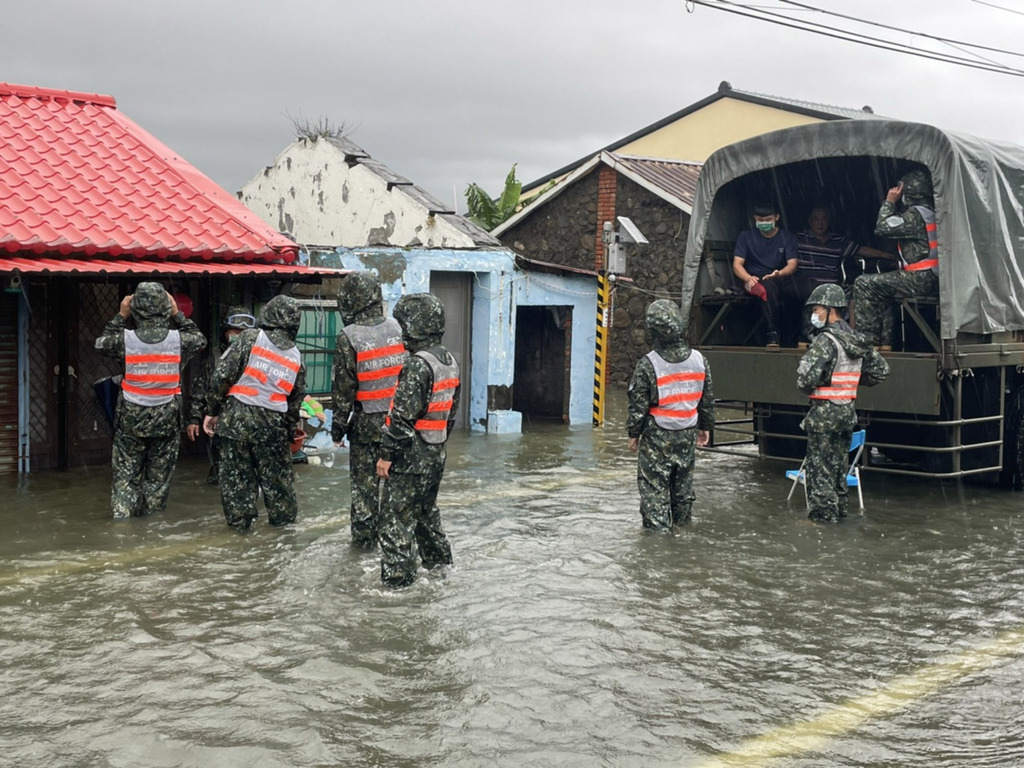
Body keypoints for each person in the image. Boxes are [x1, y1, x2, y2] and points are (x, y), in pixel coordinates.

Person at [94, 282, 207, 520]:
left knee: (125, 478)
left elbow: (101, 343)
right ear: (166, 307)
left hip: (131, 418)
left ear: (134, 308)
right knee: (157, 482)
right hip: (167, 417)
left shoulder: (125, 339)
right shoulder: (179, 340)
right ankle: (152, 529)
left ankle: (123, 528)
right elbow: (200, 339)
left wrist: (120, 315)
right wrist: (178, 314)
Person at [375, 293, 460, 587]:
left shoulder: (417, 365)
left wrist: (387, 455)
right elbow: (450, 417)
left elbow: (400, 418)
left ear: (414, 326)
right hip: (435, 454)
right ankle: (441, 569)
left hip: (411, 456)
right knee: (426, 516)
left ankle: (398, 585)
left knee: (395, 521)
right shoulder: (448, 361)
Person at [203, 295, 306, 532]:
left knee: (238, 490)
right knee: (280, 493)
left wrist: (212, 410)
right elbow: (294, 404)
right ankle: (281, 544)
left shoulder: (250, 338)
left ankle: (241, 541)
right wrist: (289, 432)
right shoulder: (297, 357)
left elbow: (222, 377)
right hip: (272, 429)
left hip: (235, 423)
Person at [797, 284, 890, 522]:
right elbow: (881, 370)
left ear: (830, 310)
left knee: (820, 471)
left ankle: (822, 523)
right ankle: (839, 514)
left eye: (816, 309)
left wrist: (822, 383)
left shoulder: (825, 341)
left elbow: (805, 380)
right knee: (840, 467)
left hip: (824, 415)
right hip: (847, 412)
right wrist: (854, 382)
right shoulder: (858, 340)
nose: (813, 315)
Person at [332, 271, 408, 549]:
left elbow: (343, 390)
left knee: (365, 492)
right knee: (396, 488)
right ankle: (395, 543)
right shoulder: (399, 328)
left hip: (366, 425)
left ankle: (363, 549)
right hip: (401, 423)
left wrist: (337, 430)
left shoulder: (348, 336)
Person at [626, 299, 715, 530]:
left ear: (652, 330)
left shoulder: (648, 364)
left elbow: (638, 405)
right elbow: (706, 400)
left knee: (654, 489)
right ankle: (683, 530)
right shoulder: (699, 360)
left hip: (657, 434)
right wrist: (705, 428)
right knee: (683, 487)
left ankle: (657, 543)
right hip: (687, 432)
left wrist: (633, 433)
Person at [852, 169, 939, 351]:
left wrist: (889, 202)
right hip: (933, 278)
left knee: (863, 284)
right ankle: (884, 344)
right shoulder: (933, 212)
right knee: (882, 289)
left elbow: (882, 228)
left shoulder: (915, 215)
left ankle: (867, 340)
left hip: (921, 279)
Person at [186, 306, 256, 485]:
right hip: (220, 422)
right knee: (220, 470)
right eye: (235, 331)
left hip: (250, 422)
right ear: (225, 332)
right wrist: (194, 419)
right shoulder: (215, 357)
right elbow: (201, 388)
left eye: (244, 332)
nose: (239, 335)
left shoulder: (259, 357)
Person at [732, 201, 802, 348]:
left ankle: (805, 333)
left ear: (777, 217)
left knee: (804, 288)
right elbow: (737, 264)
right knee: (767, 290)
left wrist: (779, 273)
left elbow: (792, 264)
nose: (764, 223)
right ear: (755, 219)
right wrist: (747, 278)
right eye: (760, 220)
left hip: (780, 277)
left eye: (767, 220)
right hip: (755, 280)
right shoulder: (746, 237)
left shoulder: (787, 237)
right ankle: (772, 333)